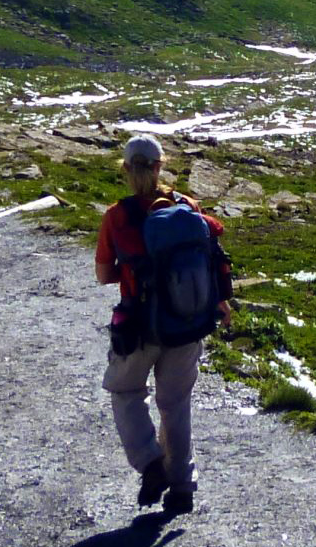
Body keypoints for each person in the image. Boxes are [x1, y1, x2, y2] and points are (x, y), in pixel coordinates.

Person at [94, 134, 233, 516]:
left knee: (125, 392)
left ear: (125, 169)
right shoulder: (187, 206)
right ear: (160, 167)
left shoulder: (116, 216)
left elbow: (104, 275)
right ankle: (183, 487)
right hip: (187, 321)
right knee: (175, 404)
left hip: (139, 325)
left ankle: (150, 463)